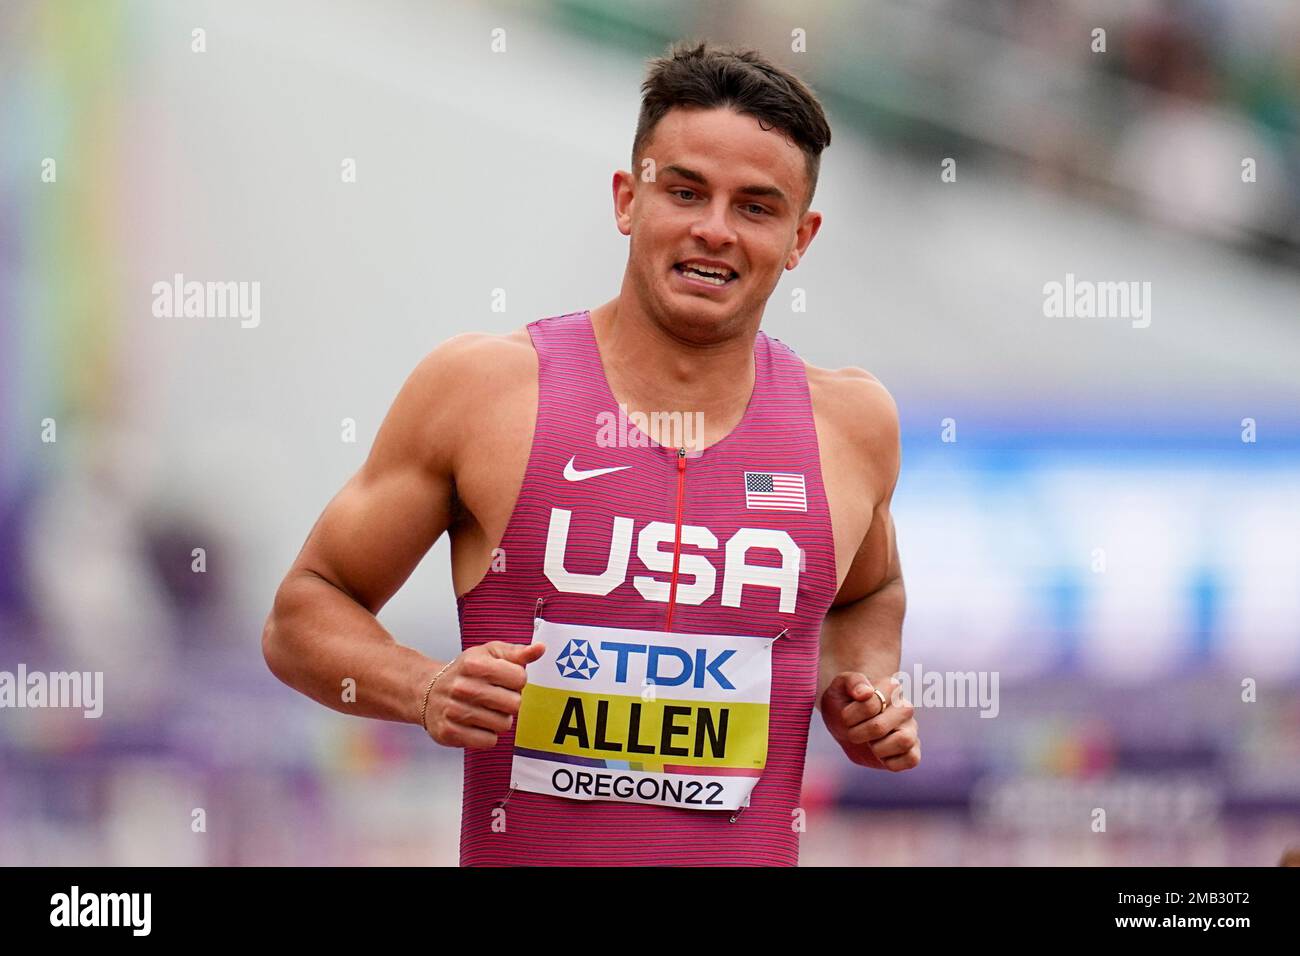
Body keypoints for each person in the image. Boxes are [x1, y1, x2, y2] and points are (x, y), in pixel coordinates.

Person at [262, 40, 919, 866]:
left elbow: (869, 592)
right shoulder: (484, 391)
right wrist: (423, 688)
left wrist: (859, 687)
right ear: (626, 200)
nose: (713, 230)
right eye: (685, 192)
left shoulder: (852, 423)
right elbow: (302, 613)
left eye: (756, 207)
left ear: (800, 238)